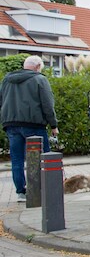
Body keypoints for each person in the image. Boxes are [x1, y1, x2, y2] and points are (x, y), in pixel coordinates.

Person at [0, 55, 58, 203]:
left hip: (11, 125)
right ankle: (42, 190)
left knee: (17, 160)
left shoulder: (7, 80)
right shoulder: (40, 80)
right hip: (34, 125)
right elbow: (47, 104)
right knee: (42, 158)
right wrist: (53, 125)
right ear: (38, 66)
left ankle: (21, 192)